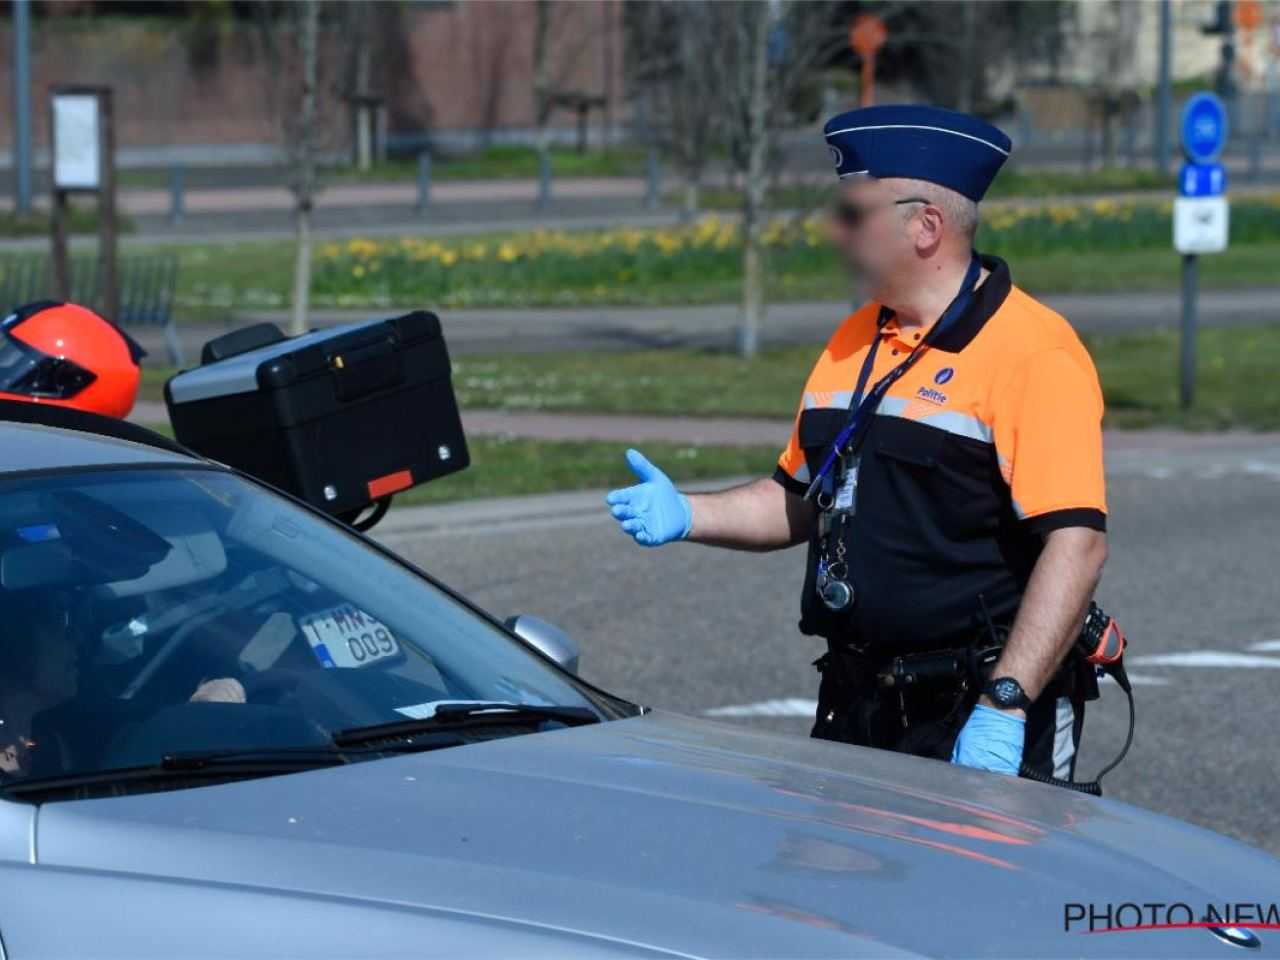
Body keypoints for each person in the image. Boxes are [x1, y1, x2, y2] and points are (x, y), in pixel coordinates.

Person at [605, 104, 1108, 782]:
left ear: (925, 226)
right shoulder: (853, 340)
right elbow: (800, 496)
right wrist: (692, 513)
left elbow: (1076, 545)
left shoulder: (1034, 353)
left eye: (852, 214)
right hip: (856, 698)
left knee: (975, 891)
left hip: (975, 703)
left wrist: (1006, 704)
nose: (833, 231)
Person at [0, 593, 244, 778]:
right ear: (15, 645)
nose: (76, 641)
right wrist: (194, 722)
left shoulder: (52, 737)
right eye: (59, 630)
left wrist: (194, 716)